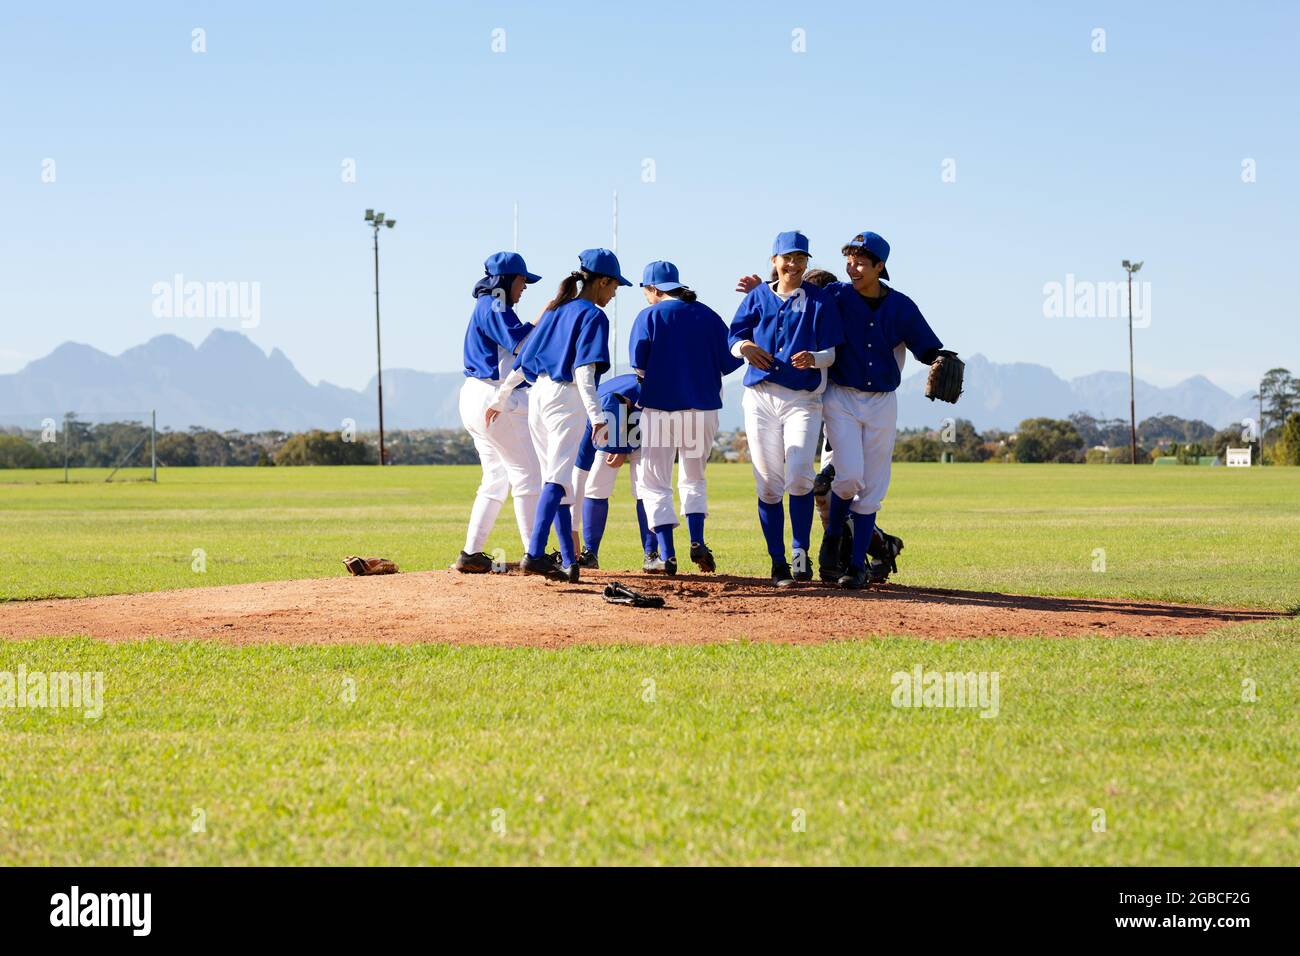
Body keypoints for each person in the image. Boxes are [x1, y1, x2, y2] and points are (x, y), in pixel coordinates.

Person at [486, 248, 631, 582]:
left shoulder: (554, 310)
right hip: (567, 399)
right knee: (556, 478)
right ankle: (534, 554)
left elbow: (523, 363)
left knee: (558, 479)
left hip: (538, 396)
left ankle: (569, 559)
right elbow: (583, 370)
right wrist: (598, 417)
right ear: (603, 281)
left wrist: (501, 395)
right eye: (614, 287)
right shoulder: (594, 316)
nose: (613, 294)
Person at [727, 231, 843, 587]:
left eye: (800, 259)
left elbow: (832, 352)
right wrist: (746, 346)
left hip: (802, 399)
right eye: (787, 258)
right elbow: (733, 338)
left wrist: (815, 358)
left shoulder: (819, 301)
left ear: (807, 262)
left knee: (798, 476)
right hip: (760, 397)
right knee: (767, 484)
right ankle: (777, 562)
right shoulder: (758, 297)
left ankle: (798, 552)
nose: (793, 265)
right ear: (774, 261)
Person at [629, 260, 742, 575]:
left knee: (654, 483)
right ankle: (696, 540)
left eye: (646, 291)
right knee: (693, 478)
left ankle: (667, 554)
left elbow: (639, 367)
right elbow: (729, 361)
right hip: (703, 410)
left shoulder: (648, 316)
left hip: (660, 409)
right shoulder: (707, 314)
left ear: (653, 289)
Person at [454, 252, 544, 573]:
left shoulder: (490, 304)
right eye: (522, 280)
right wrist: (543, 317)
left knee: (495, 479)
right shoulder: (494, 302)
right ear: (505, 280)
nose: (525, 287)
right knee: (528, 474)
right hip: (493, 397)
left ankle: (471, 553)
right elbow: (520, 343)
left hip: (476, 395)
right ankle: (535, 553)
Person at [569, 372, 658, 569]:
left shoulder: (637, 394)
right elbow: (579, 473)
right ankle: (590, 553)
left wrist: (622, 448)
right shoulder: (591, 419)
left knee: (646, 487)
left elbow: (632, 413)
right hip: (621, 411)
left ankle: (651, 554)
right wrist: (572, 529)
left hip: (651, 418)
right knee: (595, 485)